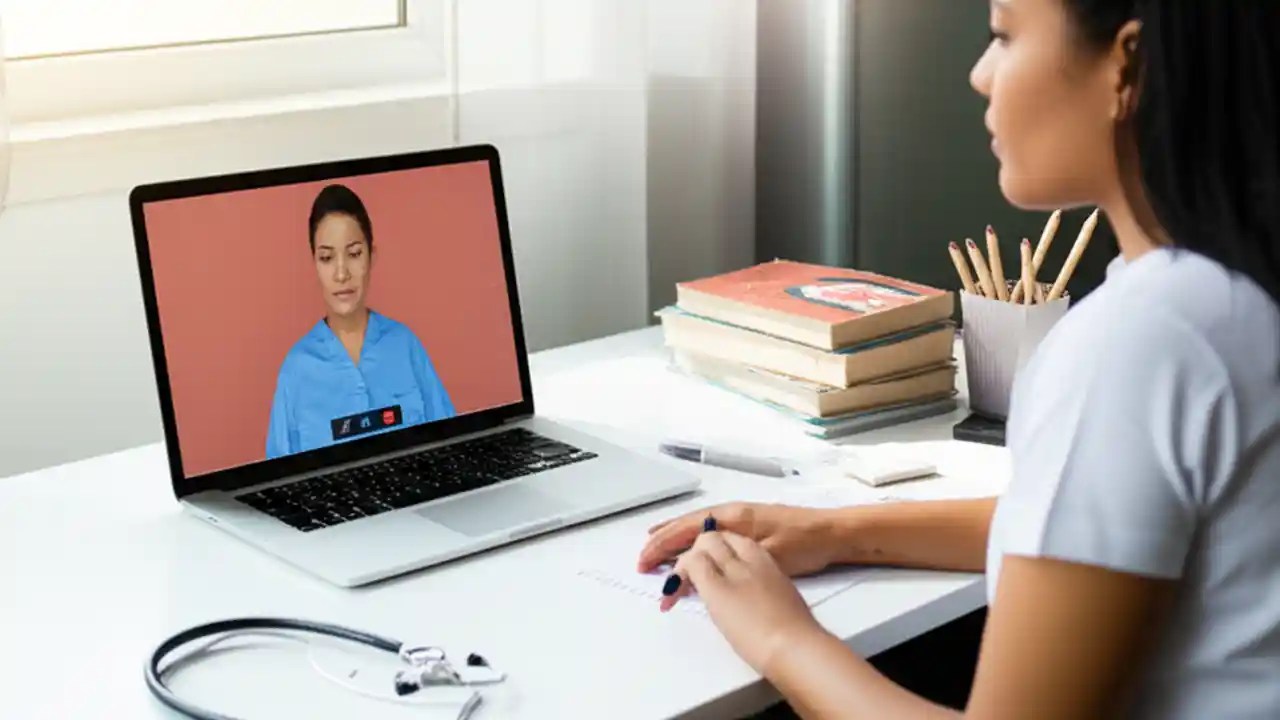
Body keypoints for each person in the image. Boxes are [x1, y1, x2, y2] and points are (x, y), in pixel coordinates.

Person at [637, 1, 1280, 718]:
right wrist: (834, 531)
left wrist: (779, 637)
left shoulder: (1144, 339)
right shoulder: (1235, 291)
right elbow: (1099, 529)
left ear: (1125, 66)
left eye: (1004, 35)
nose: (979, 75)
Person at [266, 184, 455, 459]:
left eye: (354, 254)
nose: (341, 274)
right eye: (327, 258)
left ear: (371, 256)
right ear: (315, 265)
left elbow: (451, 444)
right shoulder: (296, 370)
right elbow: (277, 482)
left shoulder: (405, 345)